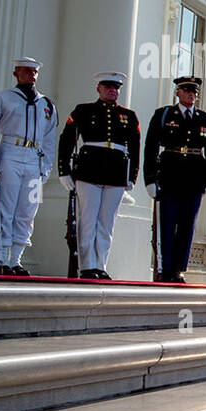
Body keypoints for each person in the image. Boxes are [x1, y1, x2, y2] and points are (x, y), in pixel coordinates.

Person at [56, 72, 141, 280]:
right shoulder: (84, 110)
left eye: (116, 87)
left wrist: (133, 176)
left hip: (116, 173)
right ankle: (87, 266)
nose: (113, 90)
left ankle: (100, 265)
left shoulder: (129, 116)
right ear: (99, 89)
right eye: (108, 86)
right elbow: (67, 140)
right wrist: (64, 170)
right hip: (89, 170)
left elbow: (136, 147)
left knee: (106, 223)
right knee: (87, 219)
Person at [0, 57, 59, 276]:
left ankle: (16, 259)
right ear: (16, 73)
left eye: (35, 72)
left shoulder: (46, 104)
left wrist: (46, 167)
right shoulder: (2, 99)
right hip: (10, 153)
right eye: (27, 71)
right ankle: (3, 259)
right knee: (6, 208)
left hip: (34, 159)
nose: (32, 75)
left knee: (28, 210)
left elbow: (49, 139)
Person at [143, 76, 206, 283]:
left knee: (187, 225)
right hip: (169, 174)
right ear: (178, 92)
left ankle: (179, 269)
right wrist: (149, 178)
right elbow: (151, 147)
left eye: (194, 91)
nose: (191, 95)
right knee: (168, 223)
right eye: (186, 91)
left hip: (195, 178)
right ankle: (166, 268)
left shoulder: (205, 119)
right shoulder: (165, 114)